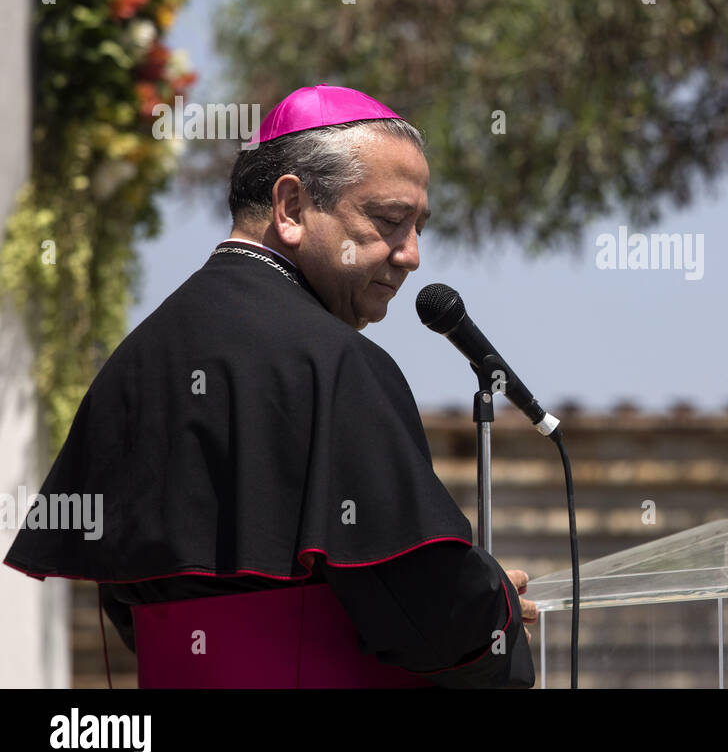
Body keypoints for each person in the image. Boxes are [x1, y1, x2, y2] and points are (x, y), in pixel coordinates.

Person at [3, 85, 537, 688]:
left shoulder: (133, 362)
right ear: (290, 207)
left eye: (419, 226)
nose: (412, 255)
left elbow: (133, 603)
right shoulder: (337, 363)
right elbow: (426, 618)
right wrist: (497, 606)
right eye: (390, 220)